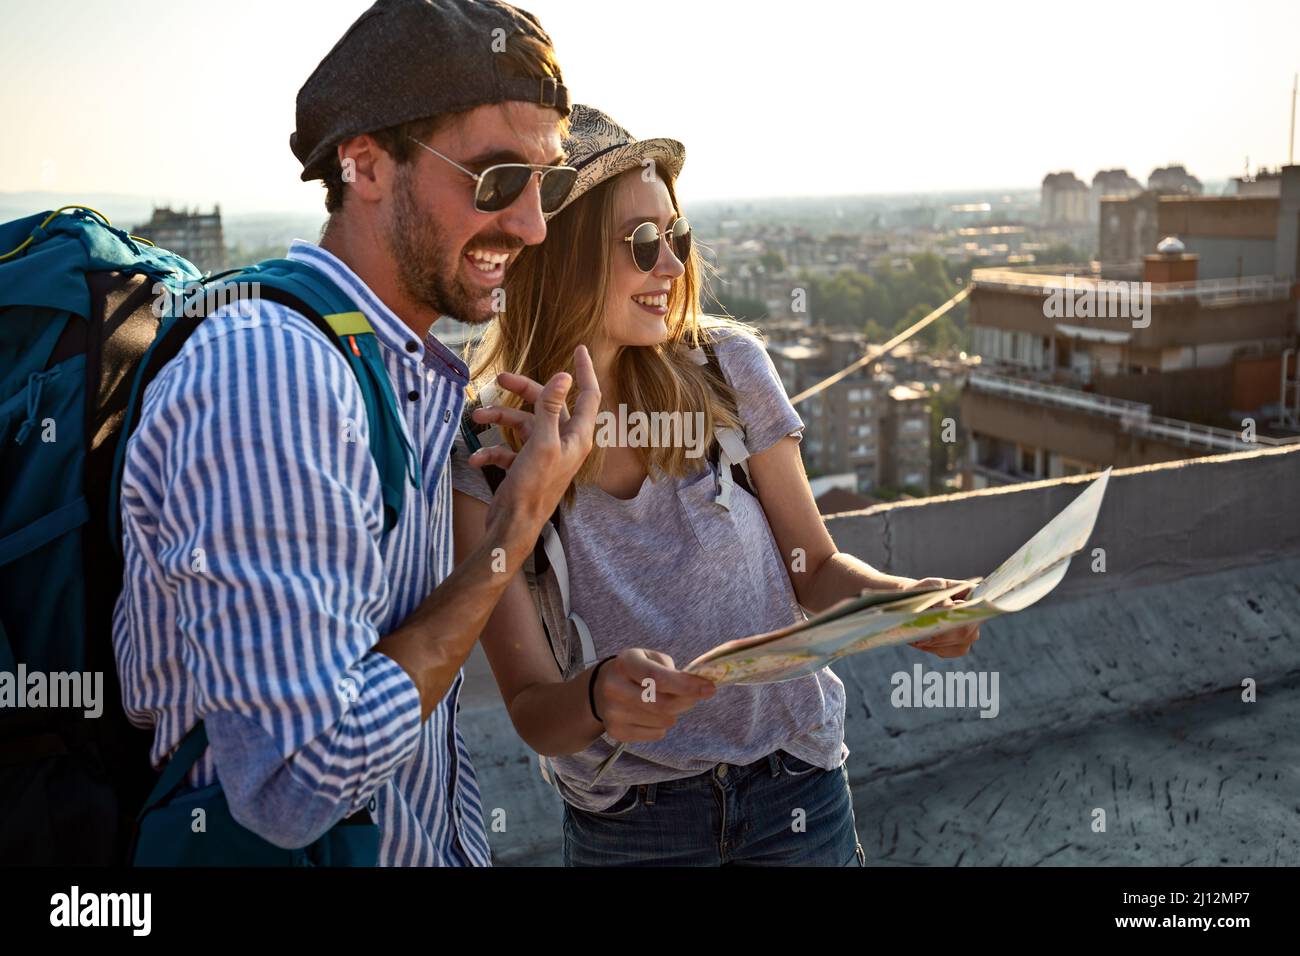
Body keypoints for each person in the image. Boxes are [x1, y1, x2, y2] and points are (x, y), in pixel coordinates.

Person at [113, 0, 600, 866]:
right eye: (496, 182)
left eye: (547, 183)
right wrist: (510, 533)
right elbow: (298, 781)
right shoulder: (271, 374)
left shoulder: (397, 368)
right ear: (365, 164)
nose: (532, 225)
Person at [451, 105, 979, 867]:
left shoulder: (730, 371)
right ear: (560, 255)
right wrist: (599, 698)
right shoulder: (487, 450)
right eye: (641, 243)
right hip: (635, 830)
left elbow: (815, 569)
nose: (670, 266)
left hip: (796, 788)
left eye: (677, 237)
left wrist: (900, 609)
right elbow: (534, 711)